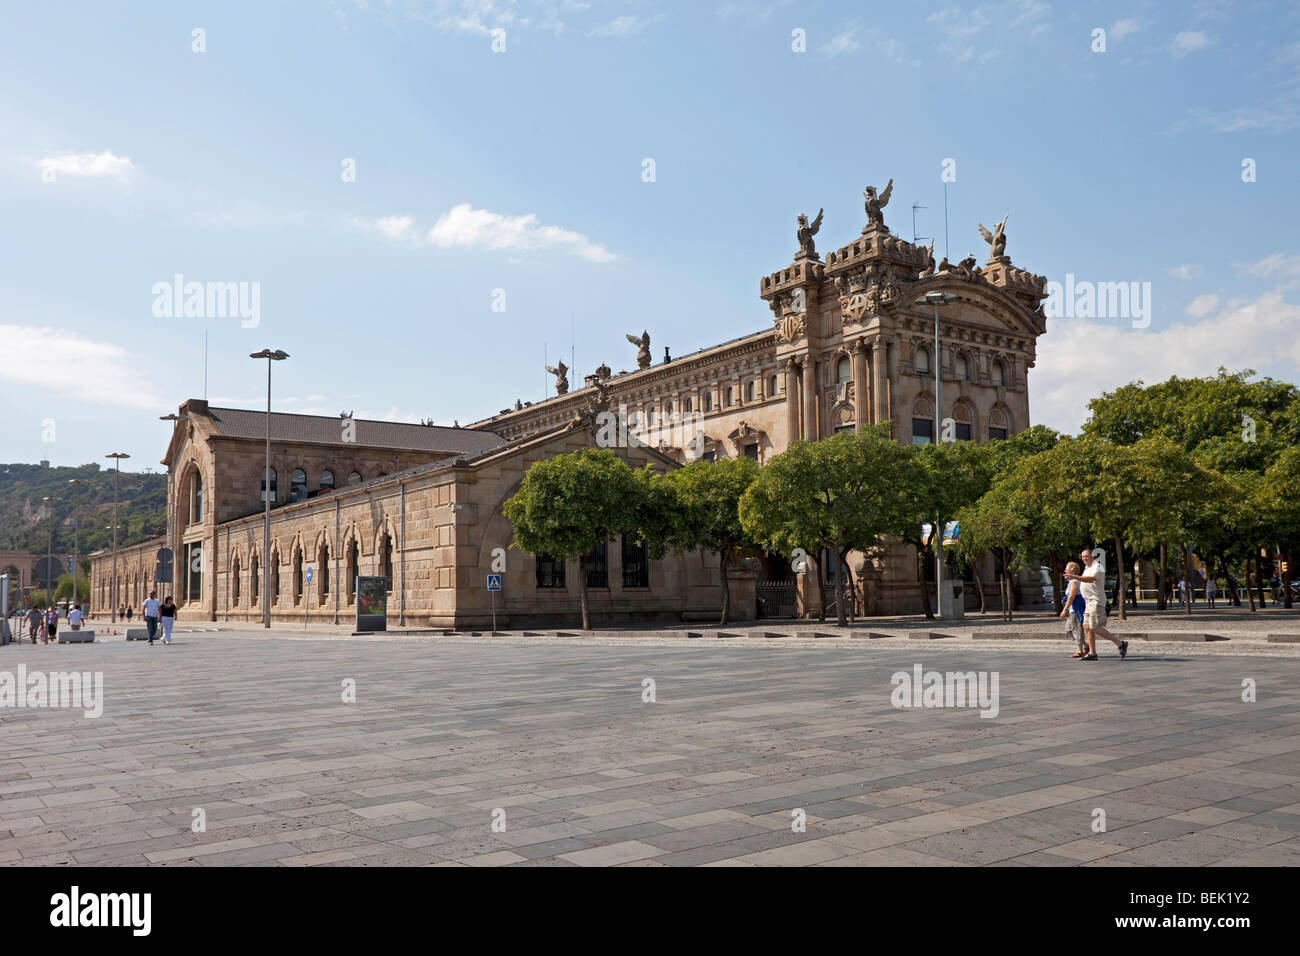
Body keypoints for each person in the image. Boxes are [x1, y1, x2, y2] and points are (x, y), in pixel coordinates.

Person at [1065, 547, 1127, 661]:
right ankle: (1092, 653)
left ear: (1092, 557)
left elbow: (1091, 579)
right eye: (1083, 557)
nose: (1084, 558)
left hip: (1096, 601)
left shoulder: (1097, 567)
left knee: (1094, 627)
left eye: (1086, 556)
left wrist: (1073, 576)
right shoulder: (1087, 568)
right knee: (1086, 627)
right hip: (1088, 602)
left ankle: (1120, 643)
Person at [1059, 562, 1088, 658]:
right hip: (1073, 609)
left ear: (1072, 571)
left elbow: (1071, 596)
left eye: (1066, 569)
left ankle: (1080, 650)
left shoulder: (1074, 581)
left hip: (1075, 609)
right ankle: (1085, 645)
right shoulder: (1072, 581)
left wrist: (1065, 609)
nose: (1065, 571)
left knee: (1076, 629)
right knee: (1069, 629)